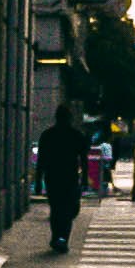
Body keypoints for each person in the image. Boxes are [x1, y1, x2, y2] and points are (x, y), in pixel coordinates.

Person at [37, 96, 91, 255]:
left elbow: (41, 160)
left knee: (56, 208)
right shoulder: (76, 135)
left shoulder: (47, 135)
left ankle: (57, 237)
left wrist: (39, 181)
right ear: (69, 118)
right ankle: (62, 239)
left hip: (53, 177)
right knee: (68, 210)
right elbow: (84, 159)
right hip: (69, 177)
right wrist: (85, 179)